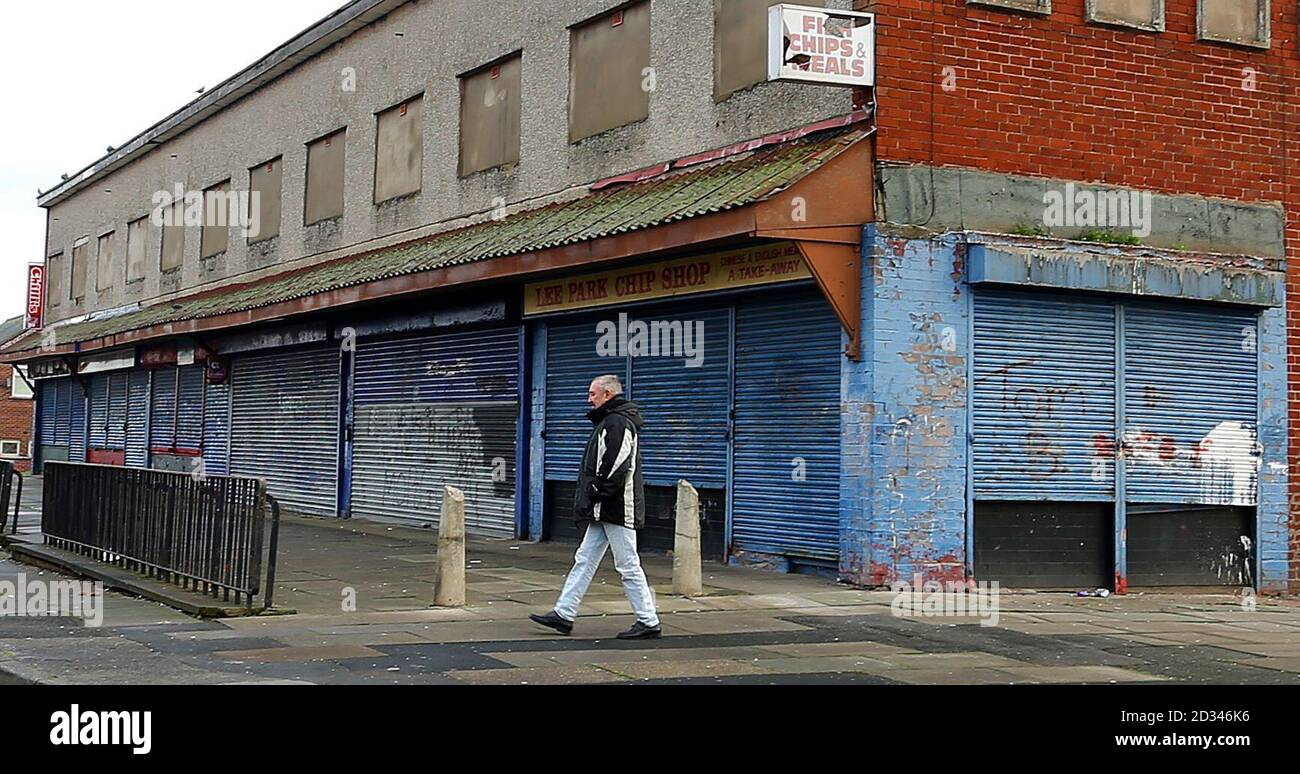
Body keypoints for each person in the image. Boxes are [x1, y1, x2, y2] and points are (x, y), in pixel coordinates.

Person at [530, 375, 662, 640]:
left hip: (615, 506)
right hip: (604, 507)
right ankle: (564, 613)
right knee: (585, 559)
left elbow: (617, 464)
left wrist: (596, 491)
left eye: (592, 393)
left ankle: (648, 621)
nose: (588, 398)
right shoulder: (609, 421)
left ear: (607, 394)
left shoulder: (617, 422)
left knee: (627, 564)